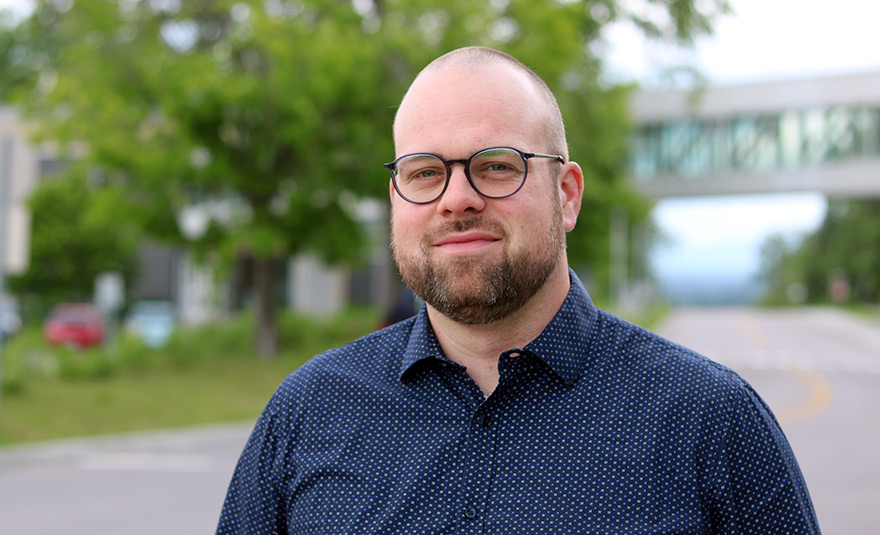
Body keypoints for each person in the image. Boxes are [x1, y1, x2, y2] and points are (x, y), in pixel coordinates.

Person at [216, 47, 821, 534]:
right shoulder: (307, 413)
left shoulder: (709, 422)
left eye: (497, 165)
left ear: (567, 195)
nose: (456, 198)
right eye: (424, 172)